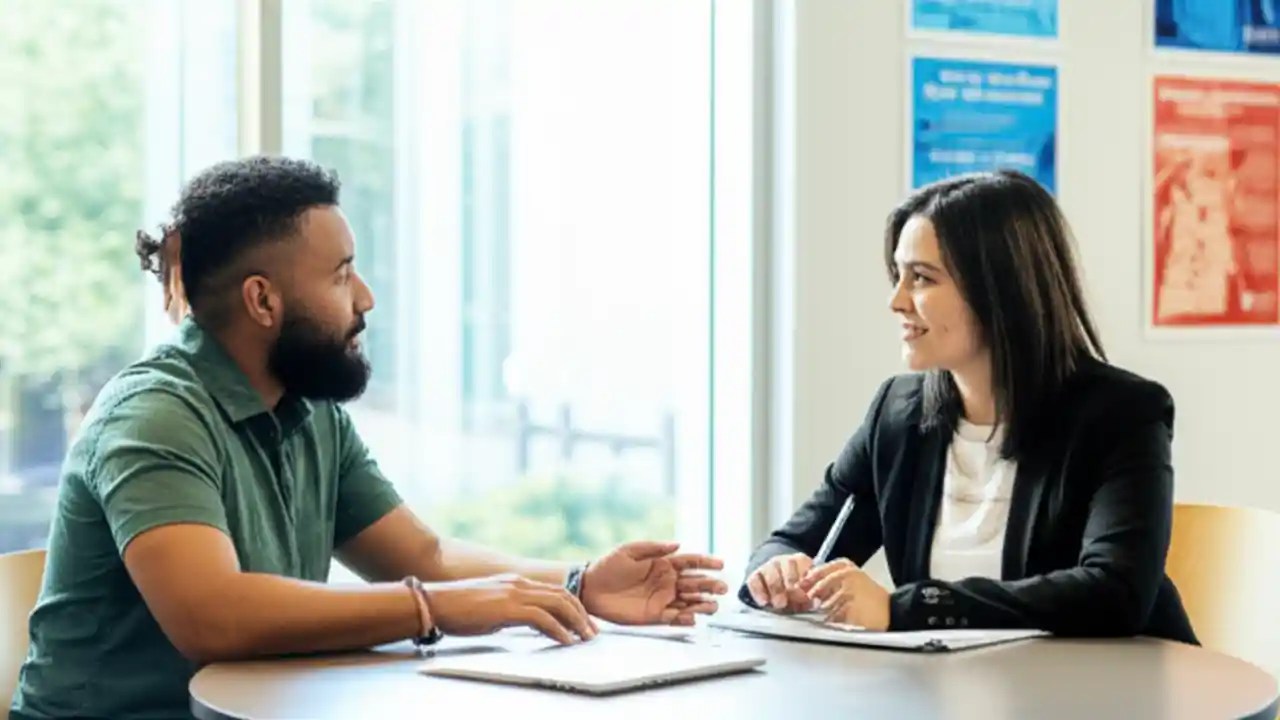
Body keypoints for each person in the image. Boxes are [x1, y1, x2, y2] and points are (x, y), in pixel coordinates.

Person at [11, 156, 727, 720]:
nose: (366, 299)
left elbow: (423, 555)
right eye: (343, 274)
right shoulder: (155, 416)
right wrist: (433, 609)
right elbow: (211, 615)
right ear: (263, 300)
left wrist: (579, 584)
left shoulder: (309, 407)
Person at [740, 170, 1197, 644]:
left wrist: (907, 607)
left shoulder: (1121, 415)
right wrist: (777, 572)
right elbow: (796, 540)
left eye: (921, 278)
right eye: (898, 275)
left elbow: (1115, 593)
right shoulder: (897, 415)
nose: (896, 301)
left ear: (1000, 288)